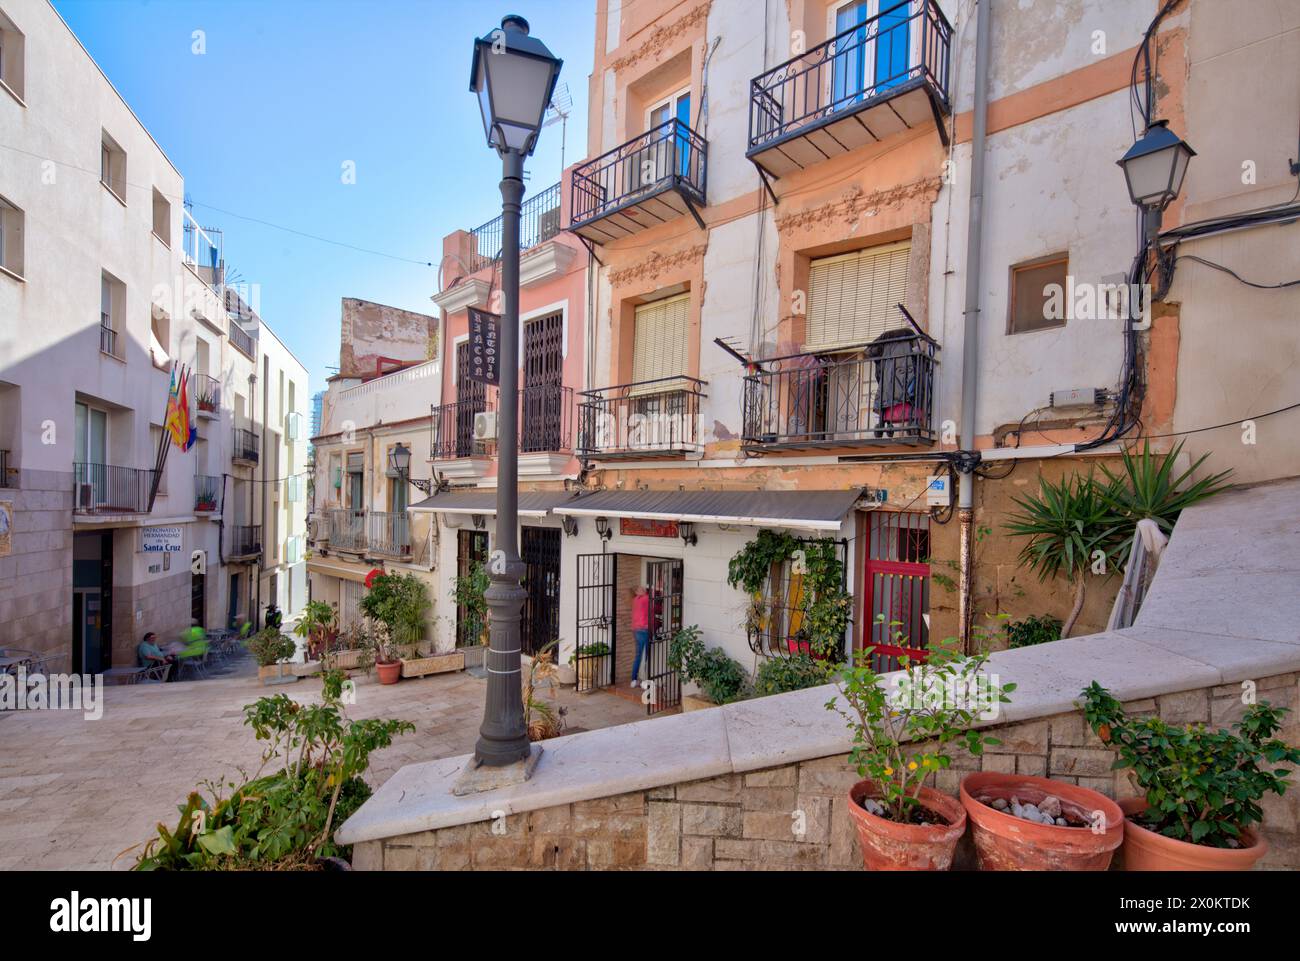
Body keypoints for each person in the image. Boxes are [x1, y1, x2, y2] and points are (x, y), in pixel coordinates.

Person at [629, 585, 651, 687]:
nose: (643, 589)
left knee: (638, 655)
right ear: (637, 592)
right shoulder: (646, 599)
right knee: (646, 655)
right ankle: (645, 681)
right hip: (644, 629)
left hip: (636, 630)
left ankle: (633, 680)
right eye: (640, 589)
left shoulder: (635, 600)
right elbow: (656, 604)